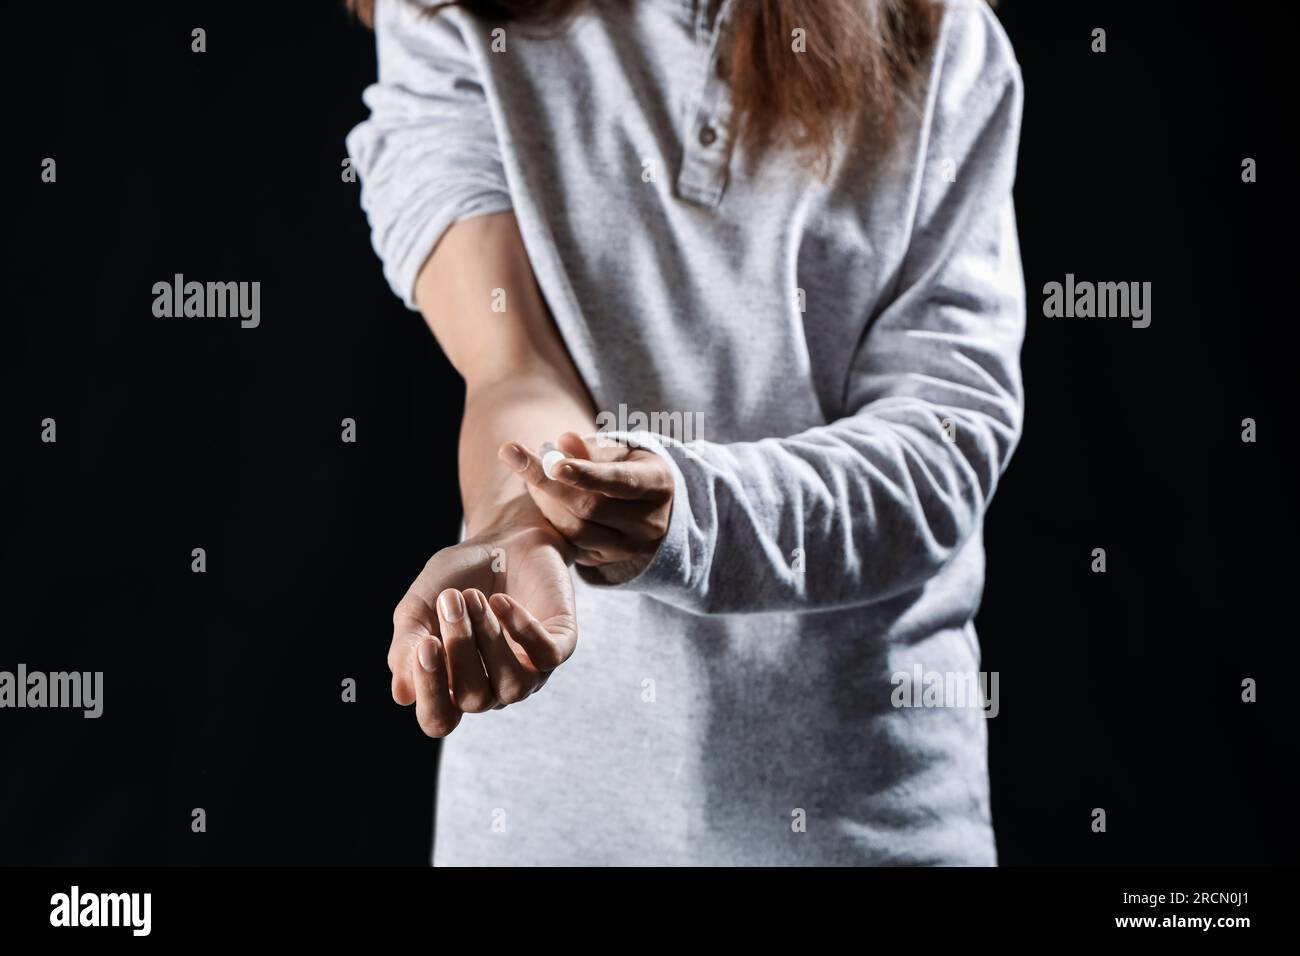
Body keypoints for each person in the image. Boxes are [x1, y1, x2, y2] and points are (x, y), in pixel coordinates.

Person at [346, 0, 1025, 865]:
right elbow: (512, 364)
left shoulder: (939, 36)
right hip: (542, 825)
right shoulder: (452, 10)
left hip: (868, 821)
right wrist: (521, 520)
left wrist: (694, 517)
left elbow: (943, 448)